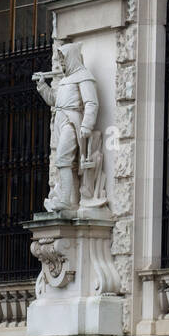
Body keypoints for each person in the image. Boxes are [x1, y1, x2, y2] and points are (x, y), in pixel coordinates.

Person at [33, 42, 99, 212]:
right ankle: (69, 199)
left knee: (63, 158)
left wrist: (87, 125)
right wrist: (42, 86)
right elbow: (54, 101)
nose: (62, 64)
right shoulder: (64, 81)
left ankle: (64, 200)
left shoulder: (84, 76)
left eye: (64, 60)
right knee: (65, 163)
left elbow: (91, 103)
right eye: (60, 61)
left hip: (71, 121)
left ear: (72, 58)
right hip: (60, 120)